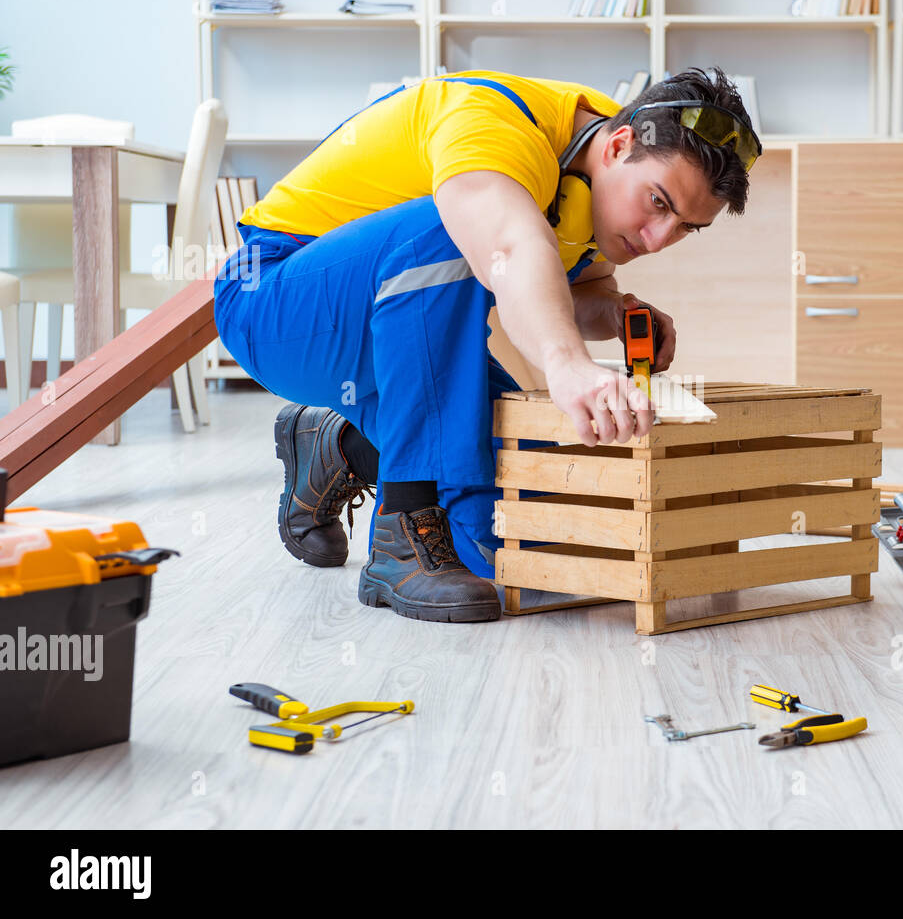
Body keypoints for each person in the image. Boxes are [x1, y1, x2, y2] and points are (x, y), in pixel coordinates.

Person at [212, 66, 759, 624]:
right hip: (275, 303)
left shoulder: (598, 163)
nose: (658, 240)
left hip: (396, 341)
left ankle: (341, 449)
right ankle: (403, 533)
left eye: (687, 227)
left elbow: (574, 289)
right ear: (619, 145)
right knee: (447, 228)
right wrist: (567, 364)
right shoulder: (494, 124)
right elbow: (509, 250)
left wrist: (615, 312)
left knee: (521, 537)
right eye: (660, 204)